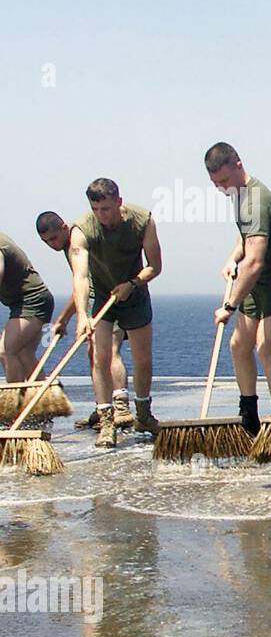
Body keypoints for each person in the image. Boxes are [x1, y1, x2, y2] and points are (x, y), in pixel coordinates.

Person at [205, 142, 271, 436]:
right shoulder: (238, 194)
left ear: (238, 165)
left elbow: (255, 262)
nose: (221, 188)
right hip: (258, 277)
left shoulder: (255, 200)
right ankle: (249, 414)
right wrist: (232, 257)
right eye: (215, 184)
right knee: (238, 345)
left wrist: (229, 306)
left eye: (223, 181)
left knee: (265, 346)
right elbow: (248, 238)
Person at [68, 178, 163, 447]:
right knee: (100, 357)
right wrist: (82, 315)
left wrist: (132, 284)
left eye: (106, 209)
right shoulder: (82, 230)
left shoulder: (142, 221)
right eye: (96, 209)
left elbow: (155, 266)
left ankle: (143, 413)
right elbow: (81, 276)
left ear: (119, 202)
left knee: (142, 358)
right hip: (101, 296)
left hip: (134, 291)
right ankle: (106, 420)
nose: (102, 216)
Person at [35, 211, 131, 430]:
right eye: (46, 242)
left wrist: (69, 318)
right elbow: (80, 289)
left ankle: (121, 408)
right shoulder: (68, 248)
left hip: (113, 299)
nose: (51, 244)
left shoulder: (79, 241)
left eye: (53, 238)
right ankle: (103, 407)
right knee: (94, 354)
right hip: (96, 303)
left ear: (63, 226)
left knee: (110, 351)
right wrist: (63, 319)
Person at [0, 232, 54, 383]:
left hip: (32, 300)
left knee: (6, 350)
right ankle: (44, 400)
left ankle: (15, 401)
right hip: (25, 301)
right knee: (24, 353)